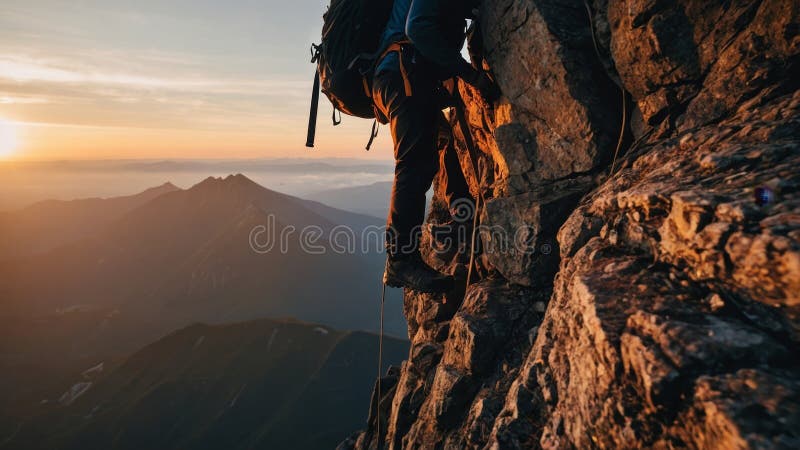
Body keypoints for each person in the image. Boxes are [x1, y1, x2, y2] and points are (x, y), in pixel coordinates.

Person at [374, 0, 500, 293]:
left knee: (437, 144)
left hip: (402, 72)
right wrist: (471, 75)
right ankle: (400, 259)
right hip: (402, 72)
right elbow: (417, 27)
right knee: (415, 161)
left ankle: (460, 206)